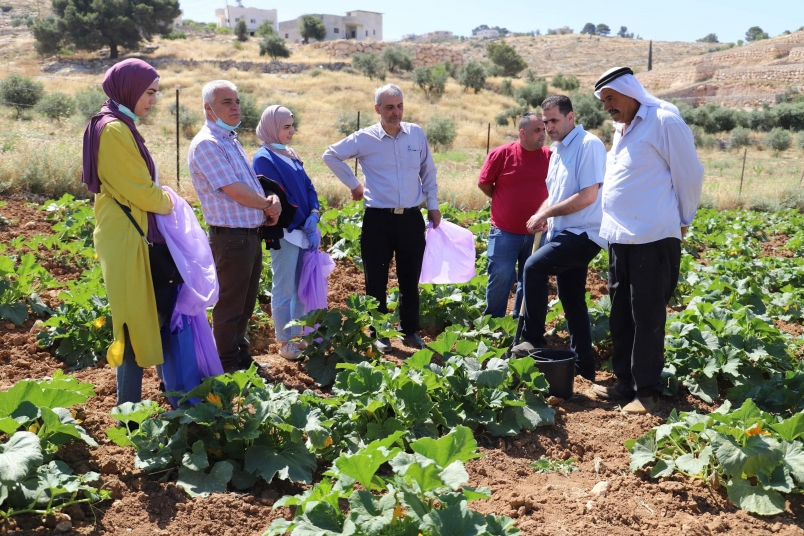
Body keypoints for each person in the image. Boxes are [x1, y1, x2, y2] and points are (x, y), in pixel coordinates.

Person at [591, 66, 704, 414]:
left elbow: (690, 174)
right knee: (621, 313)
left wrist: (684, 220)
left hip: (653, 237)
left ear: (630, 91)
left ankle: (648, 392)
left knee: (648, 315)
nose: (607, 106)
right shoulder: (621, 129)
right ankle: (625, 383)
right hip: (620, 238)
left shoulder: (664, 120)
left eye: (611, 98)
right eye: (603, 100)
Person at [81, 58, 174, 405]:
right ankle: (128, 412)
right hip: (127, 237)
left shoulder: (116, 123)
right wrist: (172, 203)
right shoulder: (115, 130)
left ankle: (156, 397)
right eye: (149, 92)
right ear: (130, 89)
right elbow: (141, 191)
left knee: (148, 315)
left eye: (156, 93)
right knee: (133, 324)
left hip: (127, 233)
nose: (153, 100)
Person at [322, 83, 440, 352]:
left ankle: (410, 331)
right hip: (378, 220)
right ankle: (380, 333)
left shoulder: (416, 134)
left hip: (411, 218)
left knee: (410, 278)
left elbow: (428, 171)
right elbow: (330, 155)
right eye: (389, 107)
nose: (395, 112)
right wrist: (354, 184)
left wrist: (432, 205)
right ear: (377, 109)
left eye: (399, 106)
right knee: (376, 279)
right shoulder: (365, 138)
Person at [511, 95, 607, 383]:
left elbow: (589, 196)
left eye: (554, 120)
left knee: (533, 266)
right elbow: (555, 195)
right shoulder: (557, 149)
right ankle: (585, 369)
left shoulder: (588, 145)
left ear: (570, 117)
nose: (549, 127)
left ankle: (534, 338)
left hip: (585, 233)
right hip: (563, 231)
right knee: (572, 299)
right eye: (545, 122)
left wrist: (548, 211)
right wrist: (542, 214)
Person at [188, 80, 281, 372]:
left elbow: (250, 185)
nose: (235, 106)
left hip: (247, 236)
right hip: (231, 240)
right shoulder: (207, 143)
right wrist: (267, 205)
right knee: (230, 307)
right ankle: (227, 366)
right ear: (208, 108)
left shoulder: (230, 140)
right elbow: (235, 190)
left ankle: (240, 358)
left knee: (244, 305)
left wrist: (271, 200)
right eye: (226, 102)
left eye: (237, 101)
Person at [253, 105, 320, 361]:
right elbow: (280, 196)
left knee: (300, 288)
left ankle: (299, 335)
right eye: (286, 126)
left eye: (292, 125)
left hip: (303, 230)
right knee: (283, 289)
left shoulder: (290, 154)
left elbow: (308, 186)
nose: (292, 131)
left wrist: (314, 213)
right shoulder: (263, 158)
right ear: (272, 128)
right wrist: (303, 220)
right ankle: (284, 342)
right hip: (286, 232)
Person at [477, 112, 550, 319]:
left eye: (543, 129)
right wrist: (502, 200)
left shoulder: (550, 157)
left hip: (537, 233)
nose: (542, 134)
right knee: (500, 276)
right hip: (504, 231)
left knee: (531, 279)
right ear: (522, 132)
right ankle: (494, 324)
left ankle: (520, 323)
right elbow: (484, 183)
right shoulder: (501, 154)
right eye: (537, 130)